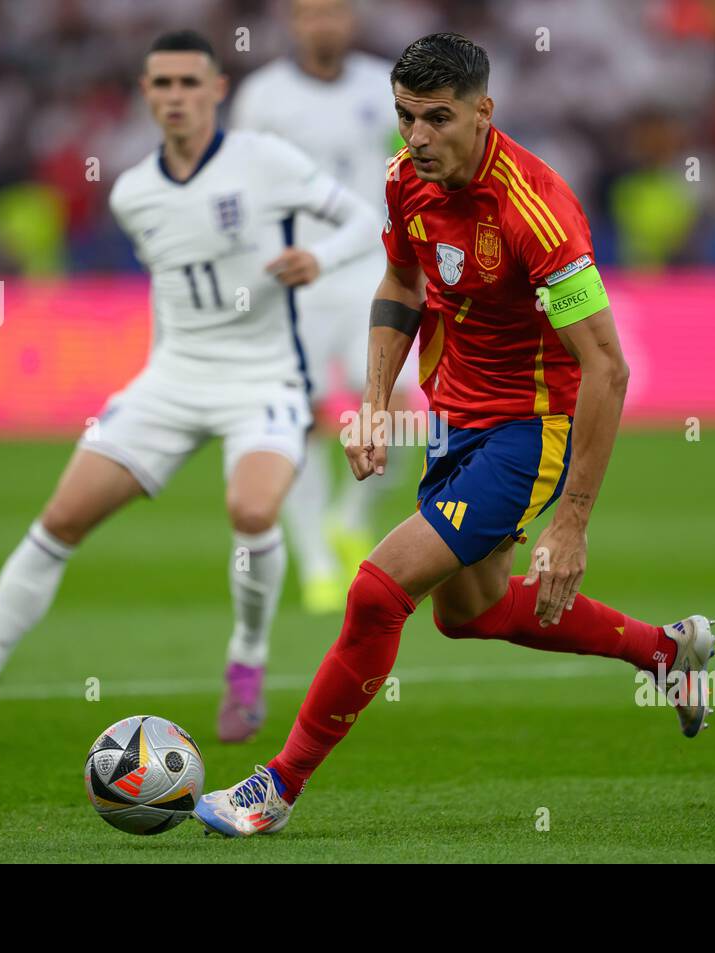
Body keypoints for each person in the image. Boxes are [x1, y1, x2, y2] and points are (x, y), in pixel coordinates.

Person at [196, 33, 715, 837]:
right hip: (453, 420)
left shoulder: (536, 212)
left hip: (531, 431)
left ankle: (274, 788)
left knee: (377, 592)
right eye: (406, 117)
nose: (417, 137)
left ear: (484, 112)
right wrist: (375, 397)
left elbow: (608, 369)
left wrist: (572, 519)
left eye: (437, 119)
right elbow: (403, 279)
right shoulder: (407, 178)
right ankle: (665, 652)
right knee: (468, 613)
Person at [0, 30, 380, 744]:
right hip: (173, 378)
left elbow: (367, 220)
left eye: (192, 83)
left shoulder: (266, 161)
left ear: (218, 91)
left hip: (264, 376)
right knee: (59, 520)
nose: (177, 97)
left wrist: (319, 257)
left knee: (251, 510)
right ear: (147, 95)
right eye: (163, 84)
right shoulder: (134, 193)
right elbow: (172, 284)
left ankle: (246, 663)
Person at [231, 0, 418, 613]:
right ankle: (314, 561)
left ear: (351, 19)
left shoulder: (384, 85)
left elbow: (412, 168)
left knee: (401, 407)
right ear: (294, 22)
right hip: (297, 276)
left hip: (373, 269)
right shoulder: (262, 97)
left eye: (335, 12)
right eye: (312, 13)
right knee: (302, 420)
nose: (325, 24)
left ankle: (349, 515)